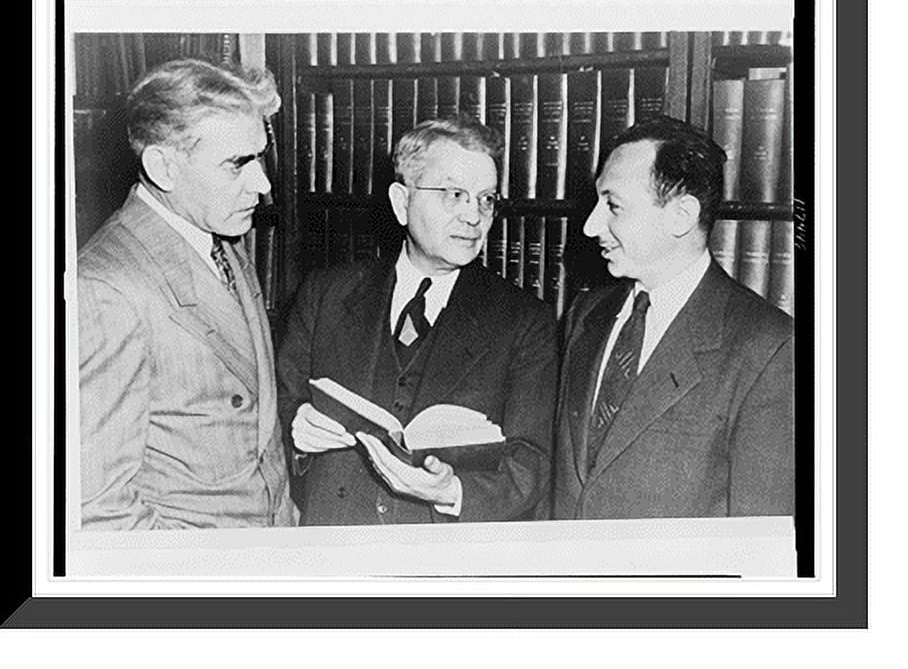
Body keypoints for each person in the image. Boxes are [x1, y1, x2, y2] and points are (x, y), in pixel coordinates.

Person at [277, 116, 557, 525]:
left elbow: (532, 464)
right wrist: (297, 429)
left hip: (441, 553)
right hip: (335, 544)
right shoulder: (326, 294)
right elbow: (278, 408)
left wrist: (453, 492)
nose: (474, 216)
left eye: (486, 199)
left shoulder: (525, 321)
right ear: (401, 202)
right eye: (454, 194)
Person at [78, 58, 296, 529]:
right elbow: (99, 511)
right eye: (237, 164)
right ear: (163, 167)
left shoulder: (220, 235)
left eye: (260, 157)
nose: (263, 186)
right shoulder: (105, 290)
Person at [553, 115, 794, 520]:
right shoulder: (586, 313)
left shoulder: (768, 347)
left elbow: (760, 537)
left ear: (681, 215)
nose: (592, 226)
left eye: (613, 206)